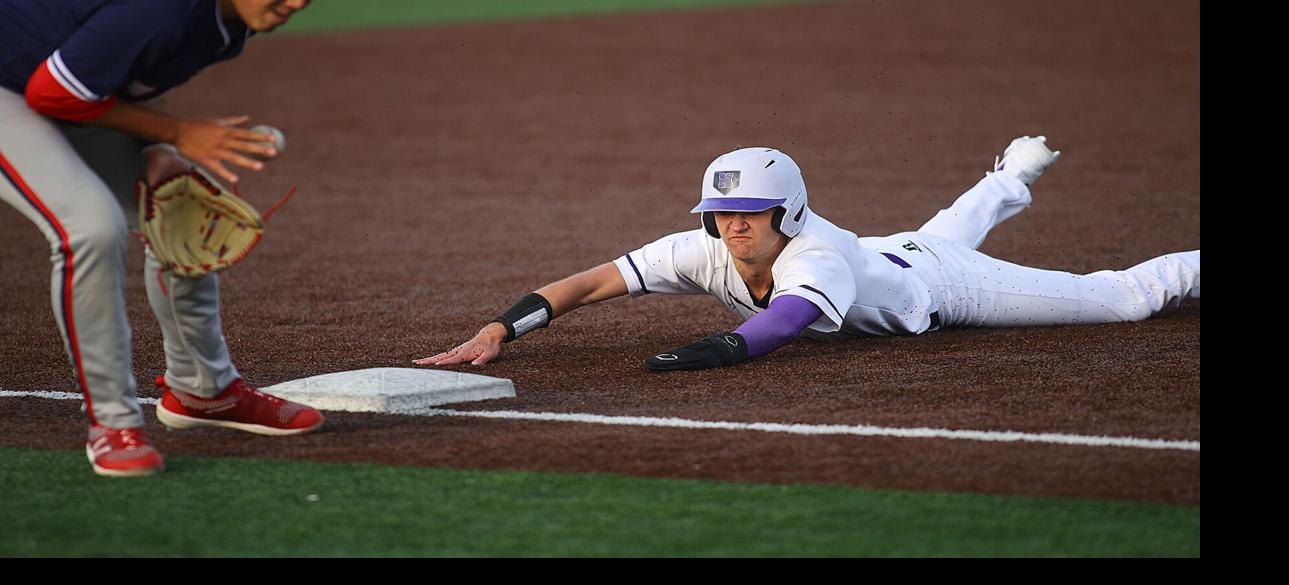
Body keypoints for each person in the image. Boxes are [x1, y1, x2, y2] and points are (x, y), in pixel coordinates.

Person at [414, 136, 1199, 373]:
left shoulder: (815, 258)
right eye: (719, 213)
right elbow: (592, 284)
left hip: (940, 286)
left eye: (746, 213)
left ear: (785, 211)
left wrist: (713, 352)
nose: (730, 226)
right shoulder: (705, 246)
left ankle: (1014, 180)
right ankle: (1007, 177)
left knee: (1122, 300)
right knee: (932, 231)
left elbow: (783, 323)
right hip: (892, 253)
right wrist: (501, 328)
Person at [0, 0, 323, 478]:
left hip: (44, 83)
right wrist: (178, 132)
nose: (295, 2)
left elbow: (129, 73)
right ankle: (112, 423)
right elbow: (52, 94)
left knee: (180, 209)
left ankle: (205, 389)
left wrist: (158, 149)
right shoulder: (166, 8)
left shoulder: (231, 22)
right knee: (91, 227)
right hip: (19, 92)